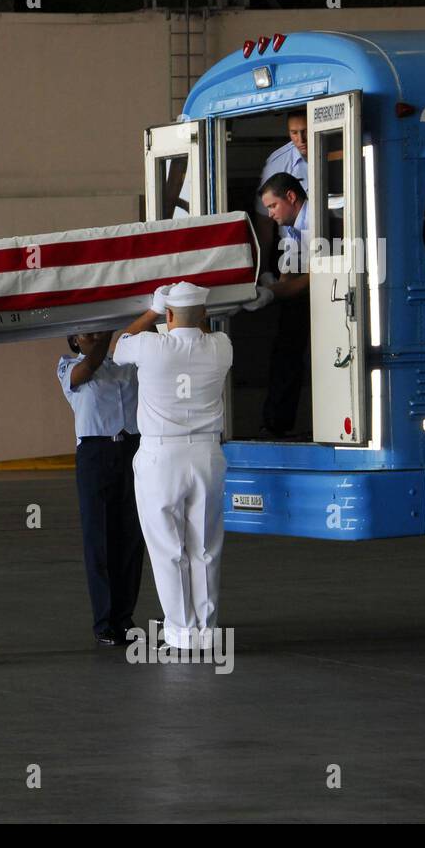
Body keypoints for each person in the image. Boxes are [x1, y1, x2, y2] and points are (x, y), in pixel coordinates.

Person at [110, 282, 233, 651]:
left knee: (168, 549)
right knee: (205, 547)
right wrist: (187, 312)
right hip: (206, 454)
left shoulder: (150, 346)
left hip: (161, 457)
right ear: (205, 315)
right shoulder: (221, 347)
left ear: (167, 315)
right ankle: (206, 632)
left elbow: (119, 347)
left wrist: (151, 309)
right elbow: (199, 329)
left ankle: (181, 632)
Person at [58, 332, 145, 647]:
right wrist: (108, 333)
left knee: (131, 537)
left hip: (133, 448)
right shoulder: (69, 366)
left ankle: (124, 617)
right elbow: (91, 365)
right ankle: (104, 620)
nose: (94, 337)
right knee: (99, 537)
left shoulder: (126, 363)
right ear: (75, 342)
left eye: (99, 331)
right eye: (87, 333)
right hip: (96, 453)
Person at [257, 171, 312, 438]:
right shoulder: (291, 225)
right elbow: (288, 273)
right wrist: (270, 290)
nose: (269, 214)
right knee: (285, 348)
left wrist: (270, 294)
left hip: (329, 295)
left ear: (290, 197)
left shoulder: (314, 221)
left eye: (272, 206)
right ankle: (276, 423)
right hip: (307, 294)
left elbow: (317, 277)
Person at [252, 109, 309, 253]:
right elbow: (264, 221)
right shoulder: (277, 163)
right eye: (294, 133)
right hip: (292, 249)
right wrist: (264, 265)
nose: (301, 139)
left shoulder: (340, 149)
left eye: (305, 131)